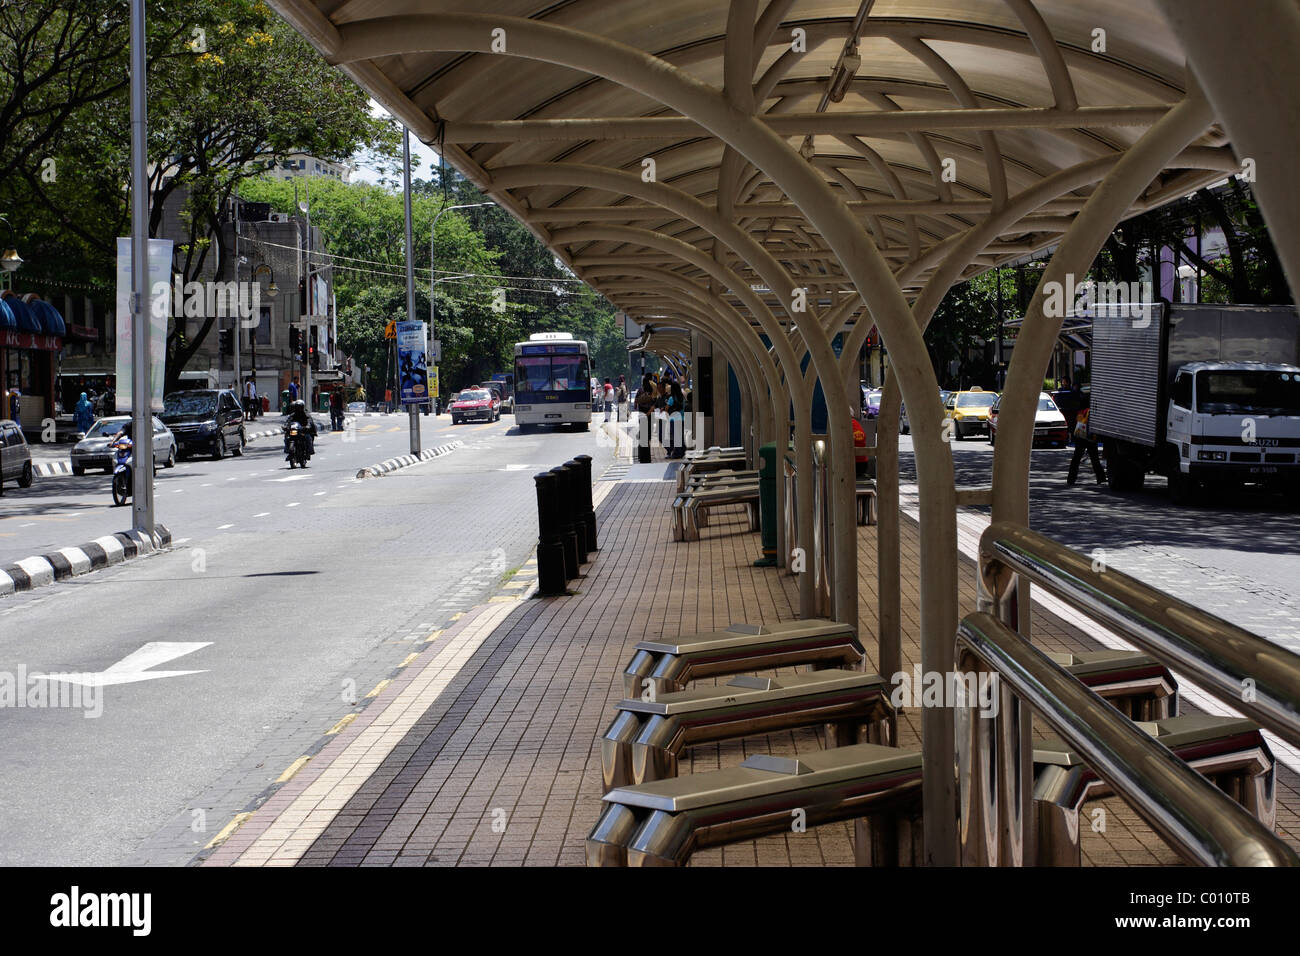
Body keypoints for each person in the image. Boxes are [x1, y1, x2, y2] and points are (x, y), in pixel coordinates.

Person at [1066, 404, 1106, 486]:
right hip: (1090, 438)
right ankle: (1101, 478)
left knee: (1076, 458)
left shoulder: (1082, 411)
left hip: (1080, 437)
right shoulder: (1094, 412)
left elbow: (1076, 423)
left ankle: (1071, 479)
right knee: (1094, 459)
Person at [634, 374, 657, 463]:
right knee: (648, 437)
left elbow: (636, 402)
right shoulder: (651, 390)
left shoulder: (640, 390)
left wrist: (638, 405)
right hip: (650, 414)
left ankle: (642, 457)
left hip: (642, 414)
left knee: (643, 436)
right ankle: (647, 457)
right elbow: (654, 403)